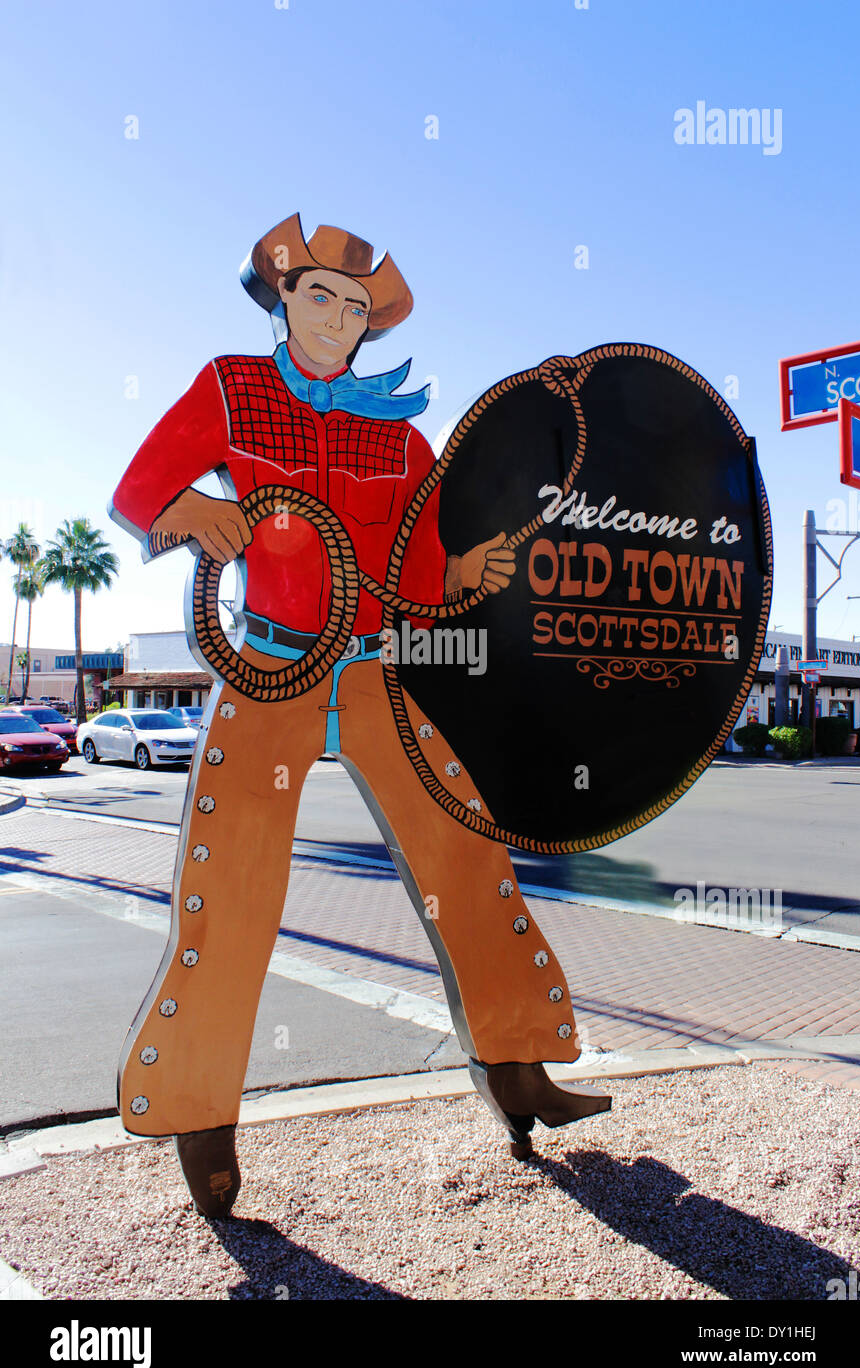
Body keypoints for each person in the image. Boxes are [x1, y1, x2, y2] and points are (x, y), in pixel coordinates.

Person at [110, 213, 608, 1216]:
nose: (336, 318)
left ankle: (518, 1067)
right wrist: (195, 513)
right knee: (229, 883)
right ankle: (199, 1115)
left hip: (378, 672)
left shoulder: (404, 434)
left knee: (465, 851)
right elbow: (138, 491)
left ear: (369, 322)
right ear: (284, 298)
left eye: (353, 305)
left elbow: (418, 581)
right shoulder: (230, 390)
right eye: (318, 296)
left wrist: (466, 573)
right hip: (271, 667)